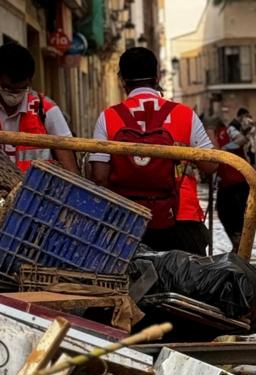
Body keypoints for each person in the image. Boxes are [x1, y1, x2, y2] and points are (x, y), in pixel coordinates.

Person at [90, 47, 217, 253]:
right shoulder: (184, 114)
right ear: (157, 77)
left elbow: (99, 176)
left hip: (126, 220)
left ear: (121, 79)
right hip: (181, 218)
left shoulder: (108, 117)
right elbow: (210, 166)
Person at [0, 42, 79, 174]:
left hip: (37, 186)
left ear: (30, 81)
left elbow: (71, 170)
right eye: (7, 88)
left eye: (19, 89)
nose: (13, 95)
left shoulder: (46, 110)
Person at [215, 108, 256, 252]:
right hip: (224, 182)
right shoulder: (211, 136)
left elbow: (242, 140)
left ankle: (241, 246)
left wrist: (224, 149)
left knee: (238, 215)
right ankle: (237, 244)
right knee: (223, 212)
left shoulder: (229, 130)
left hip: (239, 180)